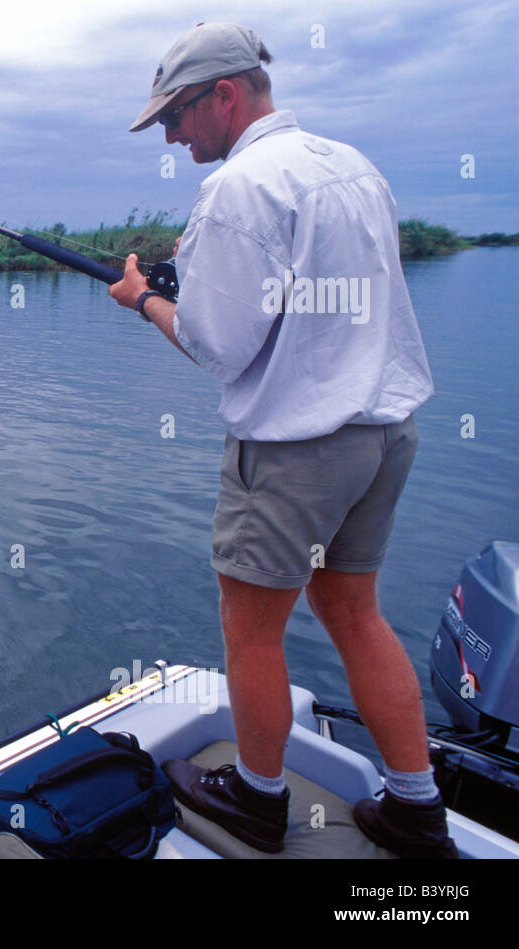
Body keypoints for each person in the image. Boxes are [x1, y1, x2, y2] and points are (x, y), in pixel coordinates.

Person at [110, 22, 455, 858]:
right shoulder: (355, 168)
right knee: (354, 609)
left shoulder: (239, 188)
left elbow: (218, 346)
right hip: (385, 434)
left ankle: (258, 799)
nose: (170, 134)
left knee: (252, 630)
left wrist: (144, 299)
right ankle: (415, 806)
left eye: (176, 115)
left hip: (300, 450)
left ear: (224, 94)